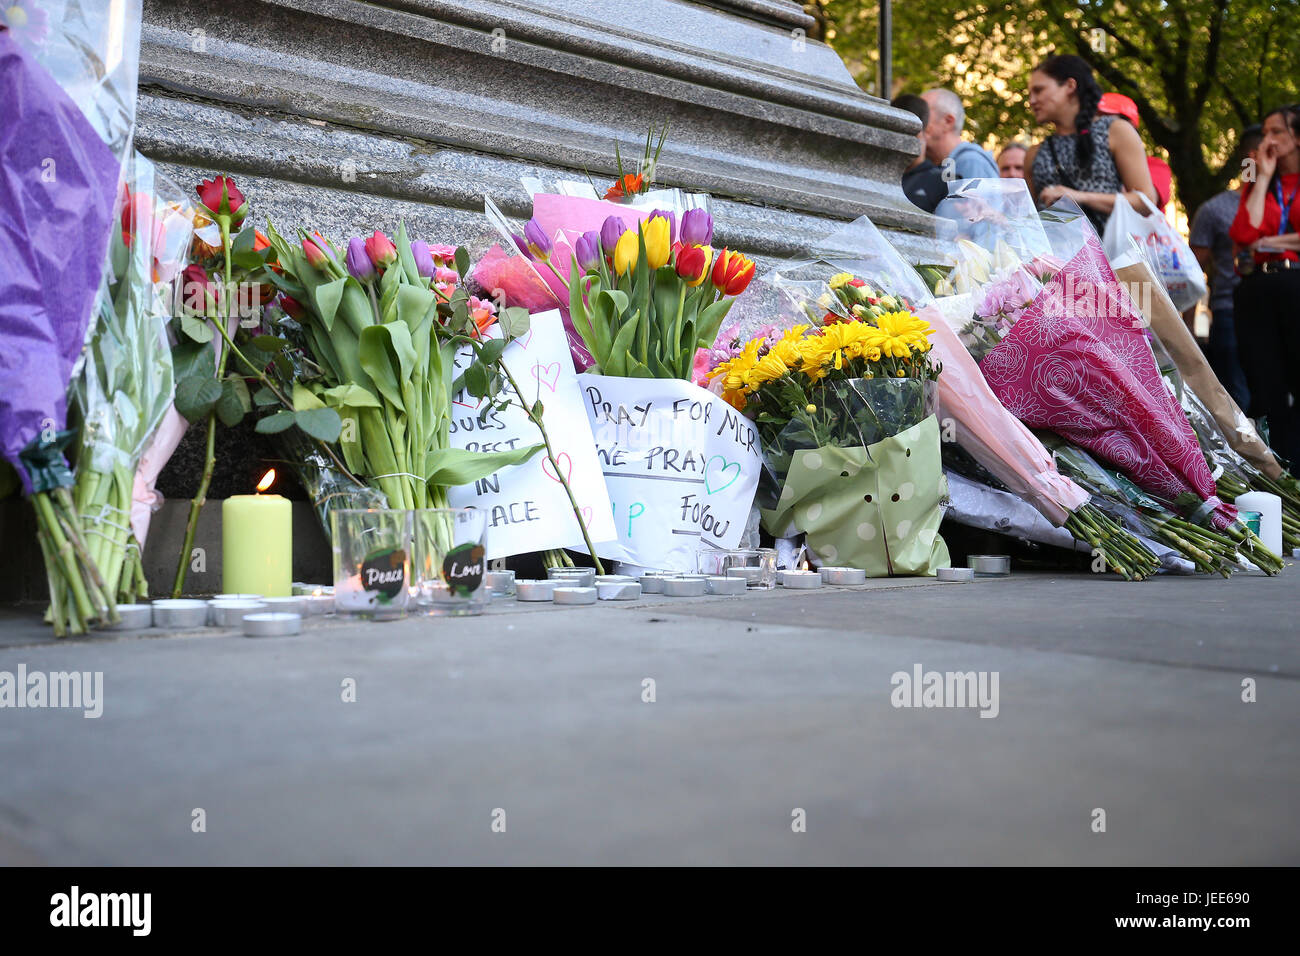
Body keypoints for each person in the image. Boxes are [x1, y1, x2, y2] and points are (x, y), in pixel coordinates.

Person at [1229, 106, 1300, 464]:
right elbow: (1243, 234)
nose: (1266, 141)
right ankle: (1283, 469)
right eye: (1265, 133)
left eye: (1277, 132)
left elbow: (1260, 240)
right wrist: (1263, 175)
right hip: (1259, 288)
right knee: (1266, 385)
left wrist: (1273, 242)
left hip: (1296, 284)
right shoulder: (1256, 174)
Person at [1024, 54, 1157, 235]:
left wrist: (1080, 197)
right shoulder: (1034, 153)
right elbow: (1027, 220)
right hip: (1052, 261)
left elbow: (1147, 201)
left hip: (1109, 258)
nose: (1031, 101)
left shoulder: (1116, 131)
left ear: (1070, 86)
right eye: (1030, 93)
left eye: (1038, 91)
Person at [1188, 125, 1261, 410]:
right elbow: (1193, 275)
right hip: (1229, 313)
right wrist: (1188, 330)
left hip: (1278, 311)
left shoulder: (1286, 206)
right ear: (1251, 158)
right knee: (1236, 402)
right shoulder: (1214, 209)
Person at [1096, 92, 1173, 209]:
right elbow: (1063, 215)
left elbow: (1145, 202)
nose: (1097, 128)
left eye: (1106, 121)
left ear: (1129, 127)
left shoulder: (1155, 166)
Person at [920, 88, 999, 181]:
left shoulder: (971, 162)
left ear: (947, 122)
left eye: (922, 114)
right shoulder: (945, 164)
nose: (915, 120)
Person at [892, 94, 946, 213]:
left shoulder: (942, 183)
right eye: (899, 134)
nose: (904, 141)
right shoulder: (881, 176)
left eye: (912, 133)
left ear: (927, 131)